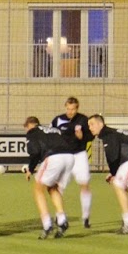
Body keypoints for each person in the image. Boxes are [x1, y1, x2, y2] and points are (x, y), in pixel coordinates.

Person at [22, 115, 83, 238]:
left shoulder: (32, 132)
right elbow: (71, 140)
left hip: (54, 158)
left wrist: (30, 169)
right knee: (53, 188)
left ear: (28, 126)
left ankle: (47, 224)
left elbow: (34, 151)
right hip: (70, 157)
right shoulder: (54, 130)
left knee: (38, 189)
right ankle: (61, 220)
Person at [87, 114, 128, 234]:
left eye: (92, 124)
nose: (90, 127)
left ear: (101, 124)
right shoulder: (110, 133)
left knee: (118, 184)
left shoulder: (108, 135)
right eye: (89, 125)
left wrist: (113, 173)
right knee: (121, 186)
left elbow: (112, 156)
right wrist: (113, 173)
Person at [50, 96, 94, 227]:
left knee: (84, 184)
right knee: (59, 187)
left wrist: (82, 137)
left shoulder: (83, 119)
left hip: (79, 155)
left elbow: (90, 136)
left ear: (77, 108)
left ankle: (86, 217)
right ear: (65, 107)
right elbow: (51, 135)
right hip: (63, 156)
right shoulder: (57, 120)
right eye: (68, 109)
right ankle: (59, 216)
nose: (70, 111)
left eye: (73, 109)